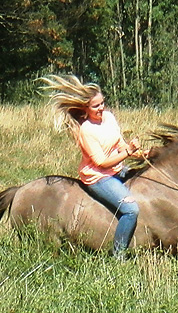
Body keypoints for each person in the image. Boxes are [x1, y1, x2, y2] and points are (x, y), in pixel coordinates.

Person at [37, 75, 144, 259]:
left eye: (102, 103)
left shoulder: (109, 117)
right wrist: (127, 153)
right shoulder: (86, 130)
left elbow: (120, 144)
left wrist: (138, 153)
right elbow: (101, 162)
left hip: (116, 169)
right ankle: (119, 255)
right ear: (85, 108)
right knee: (131, 209)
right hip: (99, 177)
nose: (101, 108)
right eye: (96, 106)